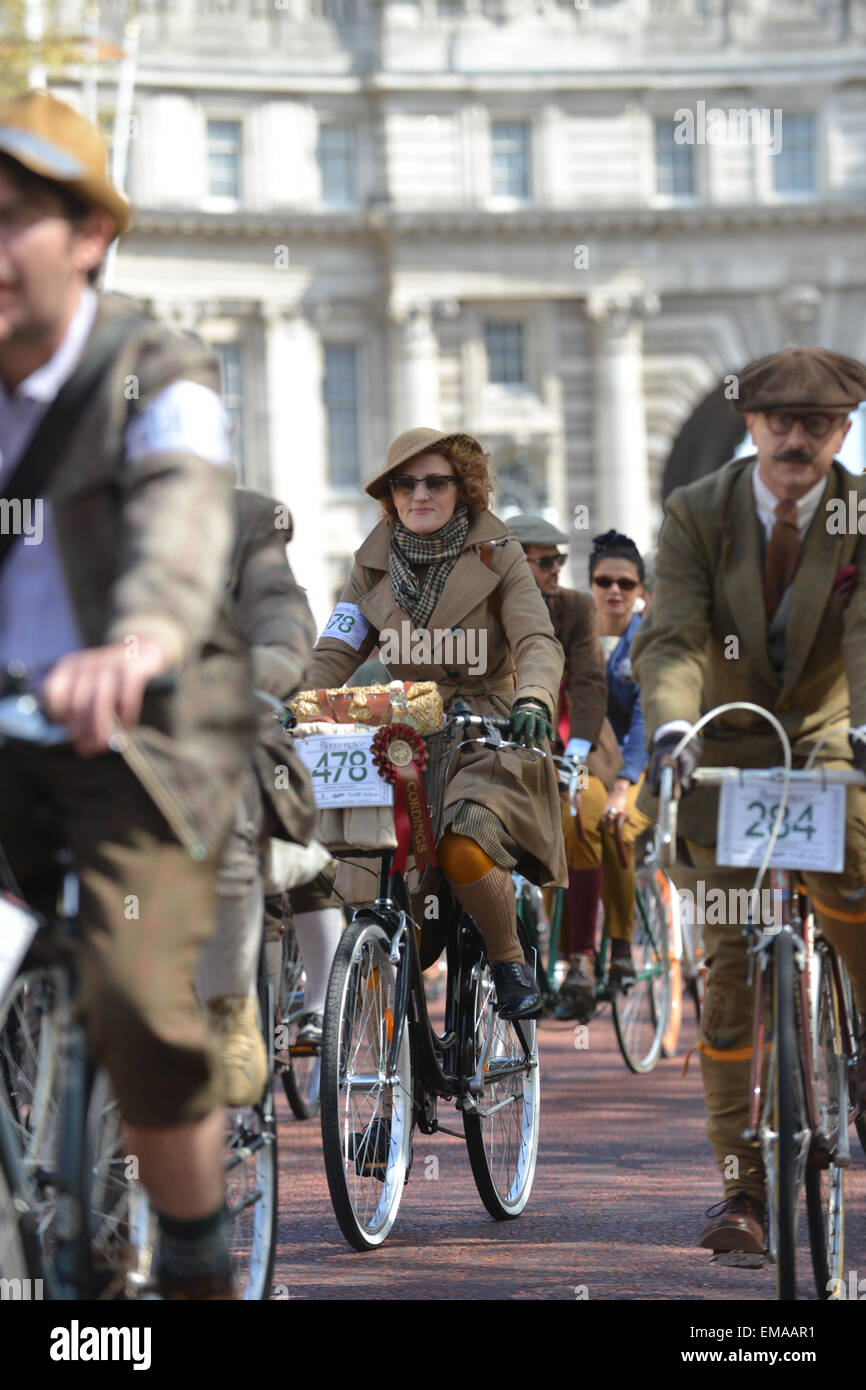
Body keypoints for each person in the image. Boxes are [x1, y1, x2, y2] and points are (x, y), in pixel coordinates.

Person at [0, 90, 257, 1298]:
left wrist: (142, 636)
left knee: (136, 994)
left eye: (10, 223)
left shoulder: (160, 370)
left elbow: (183, 514)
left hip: (135, 743)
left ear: (90, 236)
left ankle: (196, 1258)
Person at [632, 347, 866, 1255]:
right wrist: (670, 730)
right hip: (719, 739)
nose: (797, 440)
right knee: (727, 980)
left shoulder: (857, 511)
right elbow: (675, 635)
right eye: (781, 422)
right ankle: (741, 1191)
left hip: (829, 731)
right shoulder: (699, 511)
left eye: (818, 425)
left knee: (852, 870)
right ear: (751, 425)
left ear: (843, 432)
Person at [307, 427, 567, 1020]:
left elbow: (536, 641)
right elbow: (334, 652)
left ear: (463, 489)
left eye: (435, 482)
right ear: (390, 495)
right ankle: (390, 1039)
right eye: (405, 484)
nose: (419, 494)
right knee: (377, 874)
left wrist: (533, 699)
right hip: (411, 734)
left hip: (491, 731)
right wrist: (291, 702)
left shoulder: (499, 555)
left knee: (464, 847)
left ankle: (507, 960)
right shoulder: (372, 564)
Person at [199, 486, 324, 1104]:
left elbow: (280, 609)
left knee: (230, 805)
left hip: (214, 729)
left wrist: (267, 668)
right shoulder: (38, 507)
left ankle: (230, 1006)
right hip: (59, 739)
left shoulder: (243, 517)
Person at [505, 514, 624, 1013]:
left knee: (579, 818)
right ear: (513, 561)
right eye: (547, 560)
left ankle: (581, 957)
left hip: (581, 747)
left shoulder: (575, 608)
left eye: (560, 559)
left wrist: (575, 752)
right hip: (508, 749)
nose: (557, 569)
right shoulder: (486, 609)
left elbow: (591, 683)